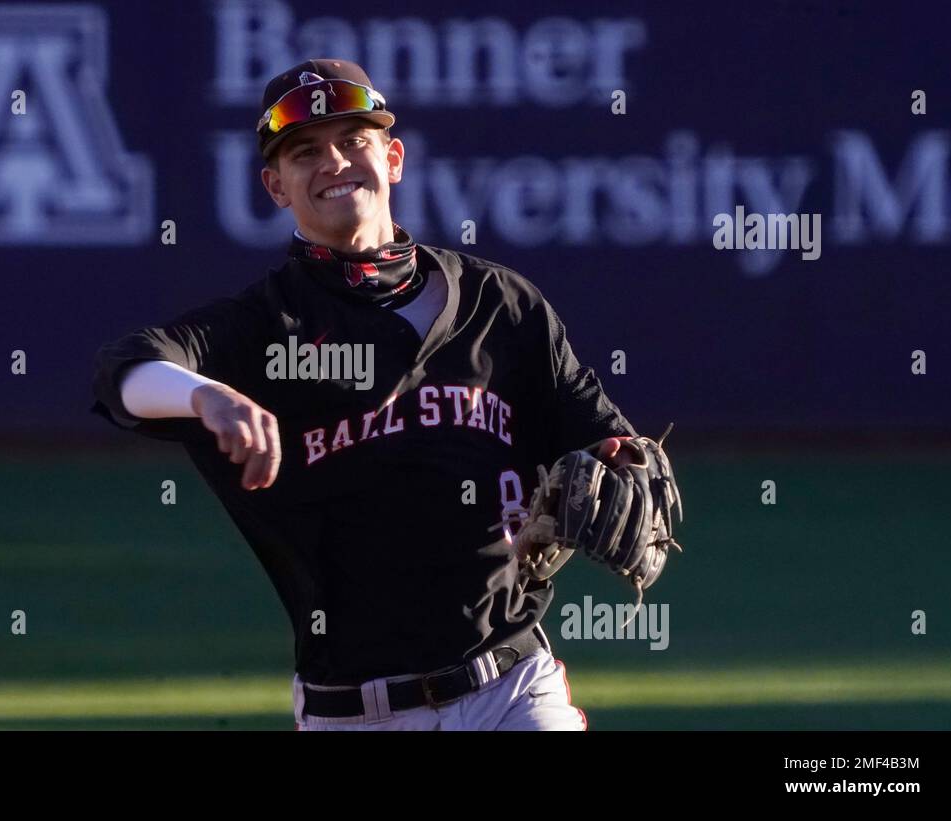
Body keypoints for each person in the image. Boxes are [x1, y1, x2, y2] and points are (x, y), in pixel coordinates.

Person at [92, 58, 641, 730]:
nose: (334, 162)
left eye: (354, 140)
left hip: (512, 687)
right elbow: (125, 369)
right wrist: (205, 395)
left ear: (395, 157)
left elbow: (611, 446)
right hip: (355, 711)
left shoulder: (503, 306)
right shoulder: (265, 329)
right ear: (275, 185)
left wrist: (625, 466)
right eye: (305, 152)